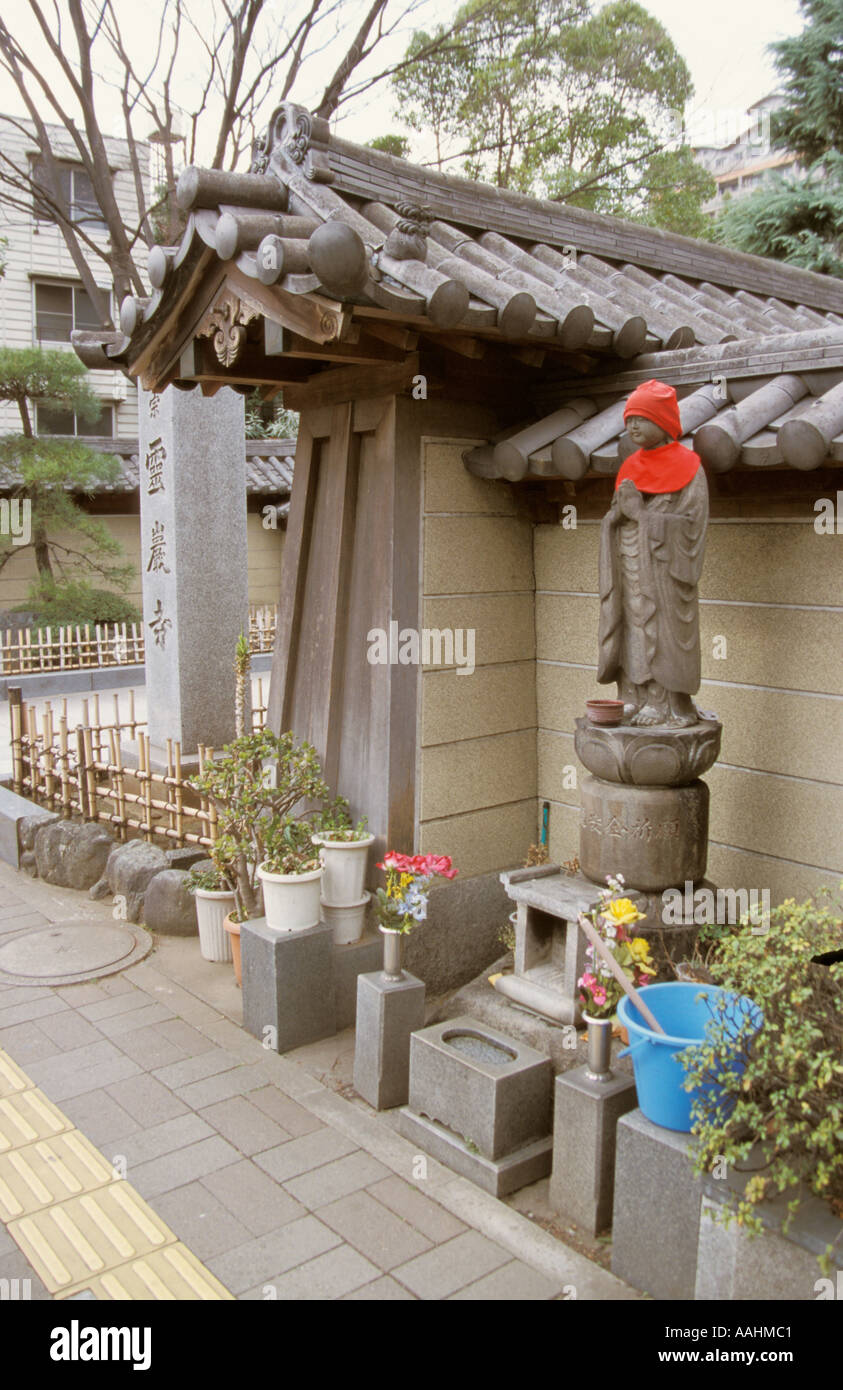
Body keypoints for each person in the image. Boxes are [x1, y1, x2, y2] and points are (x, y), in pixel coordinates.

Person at [597, 379, 708, 728]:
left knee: (659, 626)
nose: (632, 426)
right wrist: (616, 519)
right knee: (630, 624)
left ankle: (666, 702)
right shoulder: (629, 467)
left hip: (664, 570)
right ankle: (632, 693)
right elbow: (617, 516)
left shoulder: (689, 467)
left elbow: (692, 526)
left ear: (663, 422)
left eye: (641, 418)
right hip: (629, 562)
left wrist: (644, 517)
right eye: (629, 419)